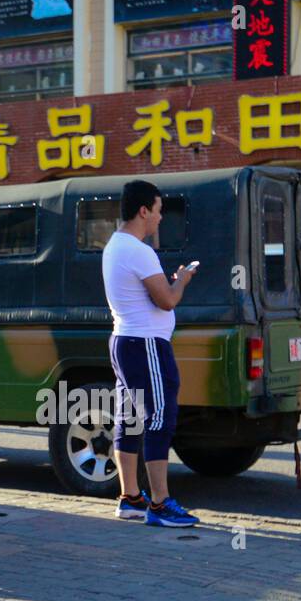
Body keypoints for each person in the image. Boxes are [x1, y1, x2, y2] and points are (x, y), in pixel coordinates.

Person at [104, 179, 199, 528]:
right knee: (159, 416)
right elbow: (168, 300)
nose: (160, 219)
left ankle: (130, 497)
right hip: (146, 345)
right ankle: (159, 503)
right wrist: (182, 280)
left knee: (128, 418)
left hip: (124, 341)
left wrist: (171, 282)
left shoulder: (114, 245)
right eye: (158, 211)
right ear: (144, 211)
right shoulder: (138, 250)